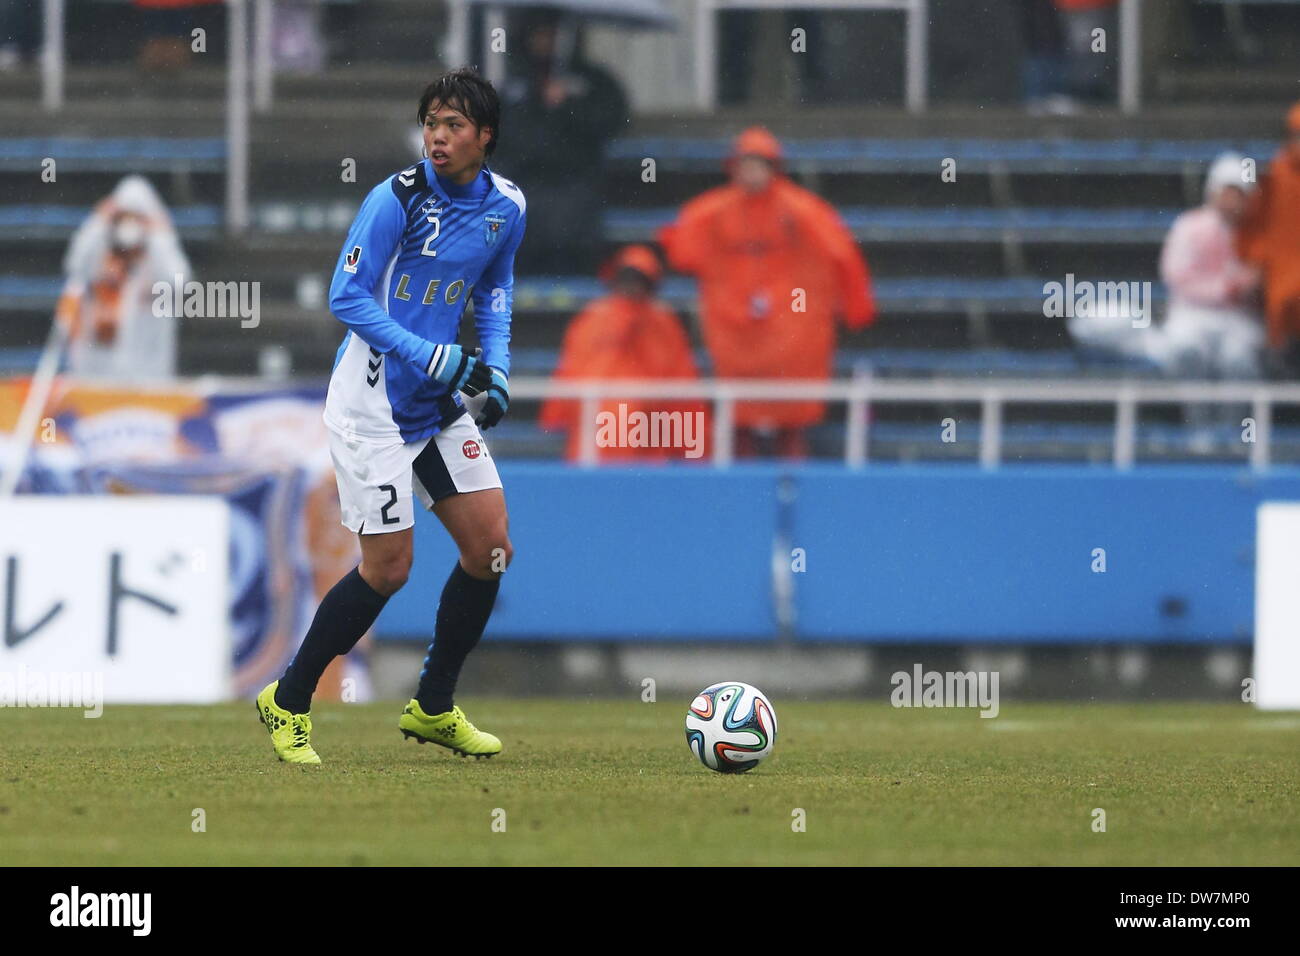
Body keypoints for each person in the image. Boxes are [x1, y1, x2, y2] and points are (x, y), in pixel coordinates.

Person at [255, 68, 526, 764]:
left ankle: (433, 705)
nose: (438, 136)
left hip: (432, 406)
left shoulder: (507, 207)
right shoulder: (395, 199)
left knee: (490, 546)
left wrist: (494, 368)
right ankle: (287, 700)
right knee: (388, 567)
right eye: (432, 123)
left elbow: (494, 289)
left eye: (454, 125)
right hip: (371, 405)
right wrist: (436, 358)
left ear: (484, 137)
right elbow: (346, 298)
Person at [657, 126, 874, 459]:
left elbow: (841, 253)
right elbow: (680, 249)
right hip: (736, 329)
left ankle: (791, 465)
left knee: (791, 411)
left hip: (791, 328)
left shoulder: (804, 212)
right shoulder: (712, 212)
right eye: (746, 165)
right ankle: (743, 470)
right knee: (739, 411)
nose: (752, 173)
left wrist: (856, 307)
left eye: (759, 165)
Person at [492, 6, 628, 275]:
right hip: (525, 180)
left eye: (553, 34)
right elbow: (505, 137)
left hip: (575, 181)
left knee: (569, 224)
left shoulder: (593, 82)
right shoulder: (513, 85)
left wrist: (569, 106)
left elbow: (611, 121)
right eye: (540, 34)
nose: (546, 42)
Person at [540, 245, 707, 463]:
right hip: (597, 430)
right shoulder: (593, 320)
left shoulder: (663, 324)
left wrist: (690, 438)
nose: (633, 287)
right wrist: (557, 414)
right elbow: (570, 372)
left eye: (640, 281)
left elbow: (682, 383)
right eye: (628, 279)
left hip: (648, 434)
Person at [1155, 152, 1263, 447]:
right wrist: (1224, 289)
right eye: (1226, 192)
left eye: (1238, 194)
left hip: (1238, 317)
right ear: (1213, 192)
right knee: (1187, 351)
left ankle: (1232, 433)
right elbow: (1175, 274)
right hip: (1193, 312)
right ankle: (1199, 428)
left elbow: (1259, 277)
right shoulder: (1188, 226)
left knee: (1239, 361)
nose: (1231, 201)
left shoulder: (1256, 234)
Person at [56, 175, 190, 382]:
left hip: (150, 377)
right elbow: (75, 265)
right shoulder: (100, 259)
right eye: (124, 218)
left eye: (138, 218)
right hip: (96, 377)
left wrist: (159, 236)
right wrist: (98, 223)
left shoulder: (157, 262)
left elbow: (181, 282)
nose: (130, 227)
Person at [1237, 101, 1300, 378]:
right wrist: (1257, 260)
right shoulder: (1273, 175)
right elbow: (1253, 228)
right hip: (1281, 268)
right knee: (1284, 298)